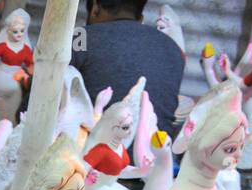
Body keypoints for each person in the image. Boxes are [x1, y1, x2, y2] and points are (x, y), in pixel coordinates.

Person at [71, 0, 184, 135]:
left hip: (90, 152)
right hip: (158, 152)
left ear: (95, 8)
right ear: (140, 18)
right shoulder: (172, 48)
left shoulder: (81, 36)